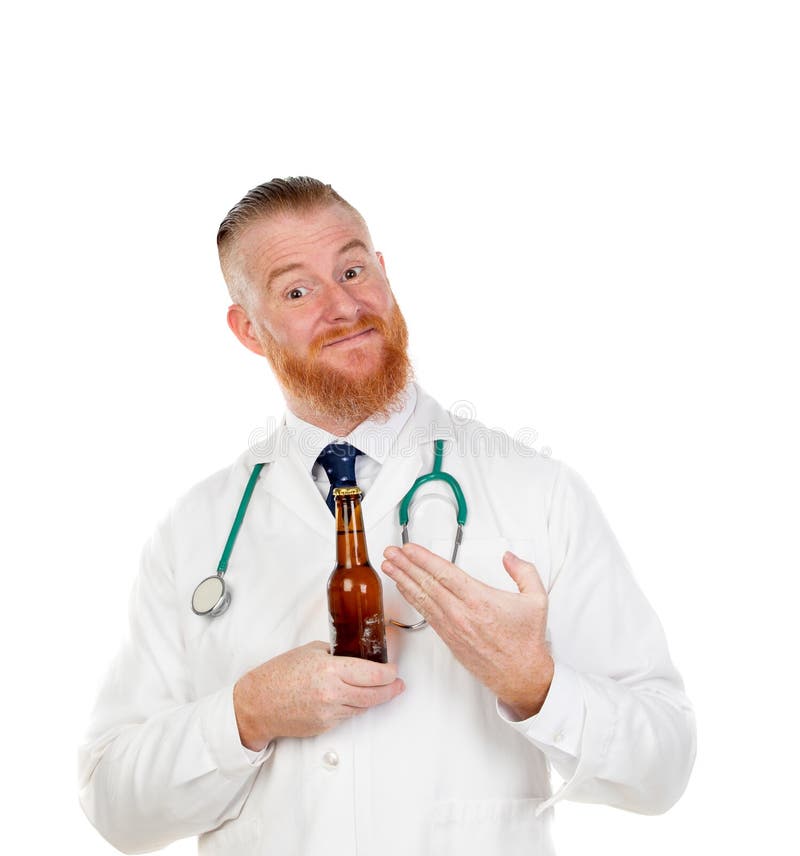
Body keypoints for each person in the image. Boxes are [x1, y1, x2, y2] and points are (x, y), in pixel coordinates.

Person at [78, 177, 696, 855]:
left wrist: (536, 685)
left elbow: (664, 766)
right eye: (297, 291)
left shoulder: (536, 492)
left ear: (383, 271)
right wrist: (246, 714)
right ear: (248, 329)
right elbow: (113, 803)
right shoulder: (196, 529)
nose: (344, 306)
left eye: (352, 271)